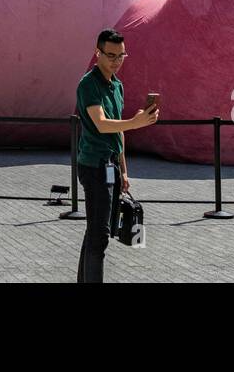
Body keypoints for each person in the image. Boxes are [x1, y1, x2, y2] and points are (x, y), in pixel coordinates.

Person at [75, 28, 158, 283]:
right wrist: (135, 122)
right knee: (100, 236)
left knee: (96, 232)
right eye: (111, 55)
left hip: (110, 166)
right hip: (93, 165)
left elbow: (118, 132)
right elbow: (102, 124)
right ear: (97, 53)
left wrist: (124, 170)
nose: (116, 61)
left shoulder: (117, 85)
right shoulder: (89, 84)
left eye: (121, 55)